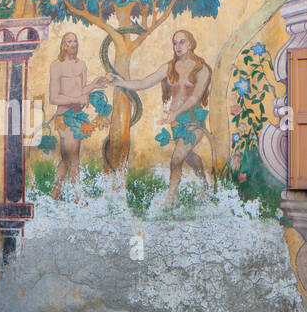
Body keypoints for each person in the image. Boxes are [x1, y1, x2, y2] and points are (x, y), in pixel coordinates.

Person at [108, 29, 212, 205]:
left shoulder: (202, 69)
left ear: (191, 43)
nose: (178, 46)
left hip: (194, 120)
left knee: (177, 156)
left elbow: (195, 97)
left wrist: (175, 112)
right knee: (187, 156)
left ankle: (169, 200)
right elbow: (143, 82)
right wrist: (121, 82)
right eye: (175, 42)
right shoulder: (169, 67)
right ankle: (205, 185)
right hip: (176, 122)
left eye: (182, 42)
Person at [48, 32, 109, 198]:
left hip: (78, 116)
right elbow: (53, 97)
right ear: (63, 45)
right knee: (74, 158)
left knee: (67, 159)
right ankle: (78, 197)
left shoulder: (81, 65)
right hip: (64, 117)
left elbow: (81, 91)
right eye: (69, 41)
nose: (73, 44)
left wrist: (95, 85)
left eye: (75, 41)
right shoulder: (56, 66)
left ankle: (55, 193)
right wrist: (77, 98)